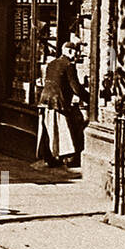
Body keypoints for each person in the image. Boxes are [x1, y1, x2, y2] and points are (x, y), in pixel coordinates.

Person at [36, 40, 90, 168]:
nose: (77, 56)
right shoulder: (68, 65)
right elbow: (75, 87)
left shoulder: (51, 63)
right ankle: (67, 158)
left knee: (48, 130)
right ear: (70, 52)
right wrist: (90, 99)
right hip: (57, 102)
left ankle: (49, 156)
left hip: (45, 100)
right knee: (63, 131)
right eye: (76, 53)